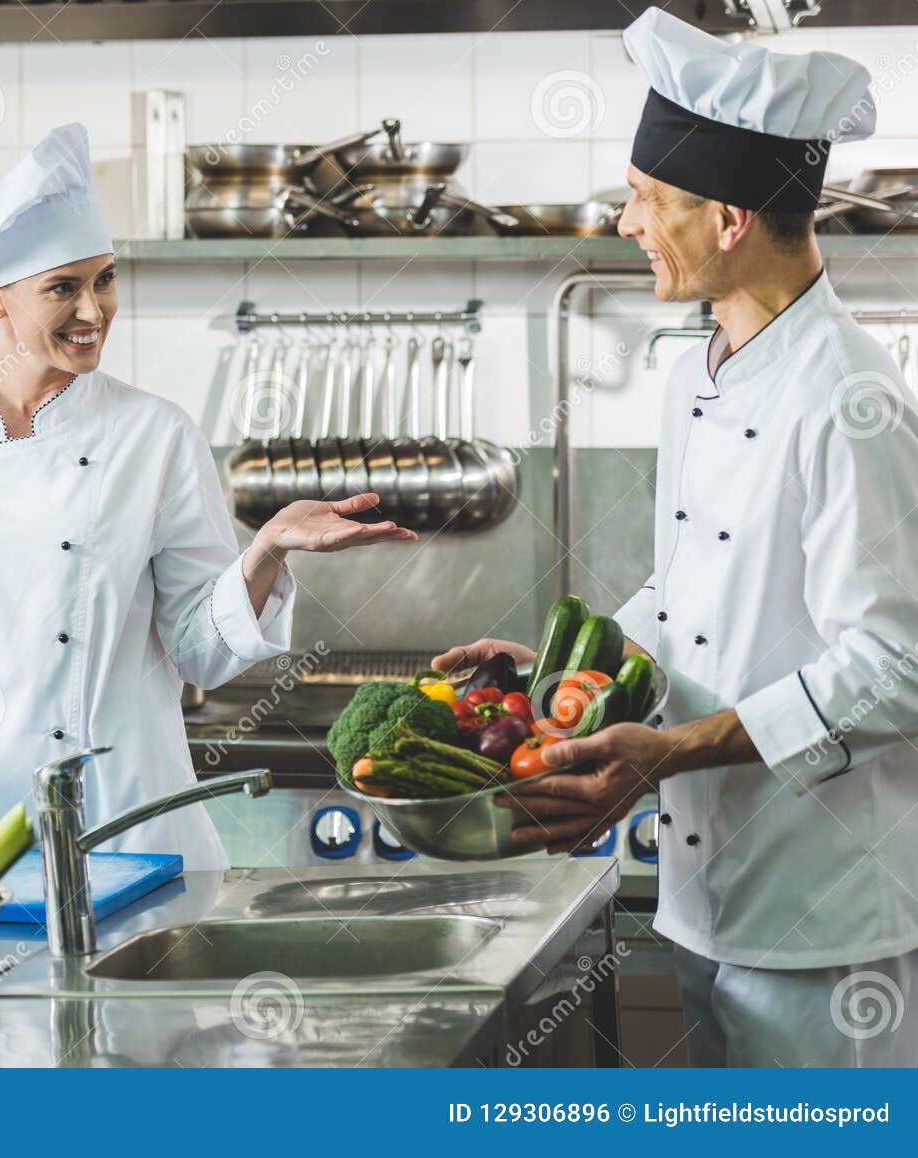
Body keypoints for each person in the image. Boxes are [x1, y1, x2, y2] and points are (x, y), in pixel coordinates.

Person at [436, 10, 918, 1066]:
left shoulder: (846, 400)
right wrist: (571, 668)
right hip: (705, 904)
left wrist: (671, 750)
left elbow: (895, 669)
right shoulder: (699, 371)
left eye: (648, 200)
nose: (626, 223)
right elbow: (694, 591)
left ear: (731, 217)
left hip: (822, 925)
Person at [0, 124, 414, 868]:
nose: (93, 311)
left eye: (104, 279)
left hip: (125, 833)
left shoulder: (155, 437)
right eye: (63, 288)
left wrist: (265, 548)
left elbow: (200, 651)